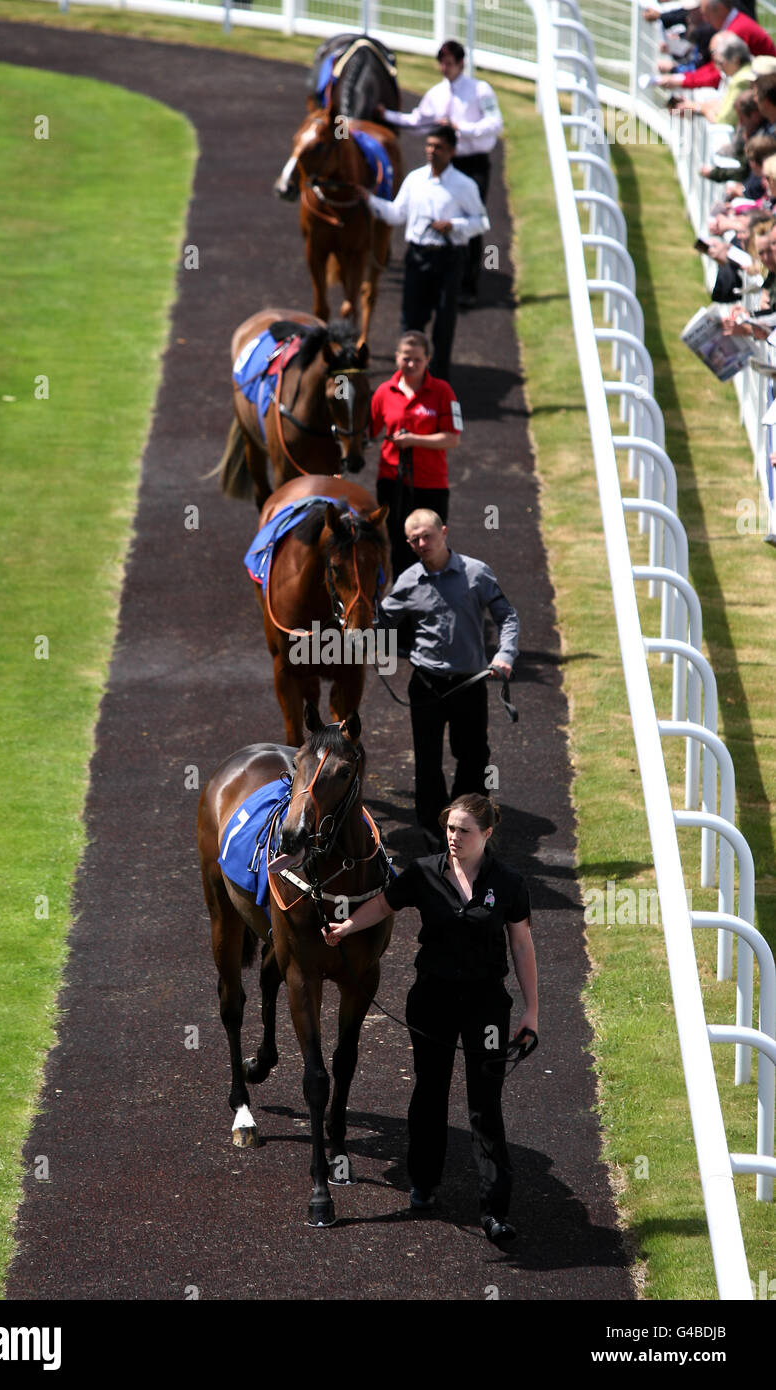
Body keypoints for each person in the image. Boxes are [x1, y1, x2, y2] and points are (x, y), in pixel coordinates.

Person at [323, 793, 539, 1245]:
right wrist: (345, 927)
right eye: (450, 829)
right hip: (432, 999)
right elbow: (384, 905)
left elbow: (521, 944)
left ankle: (494, 1209)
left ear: (487, 835)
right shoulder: (422, 871)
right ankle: (423, 1184)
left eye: (464, 830)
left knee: (485, 1104)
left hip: (486, 1006)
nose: (453, 837)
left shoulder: (510, 882)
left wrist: (531, 1010)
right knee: (430, 1092)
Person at [379, 509, 519, 843]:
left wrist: (505, 654)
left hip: (469, 684)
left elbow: (508, 616)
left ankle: (468, 823)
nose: (422, 544)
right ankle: (431, 831)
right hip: (426, 684)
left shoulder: (476, 573)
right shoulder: (408, 581)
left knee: (473, 756)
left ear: (444, 532)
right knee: (427, 761)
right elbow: (382, 623)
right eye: (414, 540)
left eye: (427, 535)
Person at [377, 40, 503, 306]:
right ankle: (440, 279)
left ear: (461, 64)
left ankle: (469, 285)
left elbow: (495, 123)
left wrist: (461, 128)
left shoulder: (480, 90)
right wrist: (385, 115)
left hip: (473, 161)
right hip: (448, 163)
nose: (443, 69)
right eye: (441, 63)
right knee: (440, 215)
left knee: (471, 220)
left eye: (448, 64)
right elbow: (417, 120)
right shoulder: (436, 93)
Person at [359, 125, 489, 381]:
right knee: (410, 320)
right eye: (429, 145)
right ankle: (407, 378)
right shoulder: (415, 179)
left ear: (451, 151)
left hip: (449, 258)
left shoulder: (464, 186)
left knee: (444, 323)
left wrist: (454, 226)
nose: (431, 151)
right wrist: (369, 200)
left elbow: (482, 222)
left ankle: (438, 382)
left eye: (438, 147)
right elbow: (397, 214)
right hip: (417, 258)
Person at [370, 331, 462, 577]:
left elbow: (453, 438)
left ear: (428, 360)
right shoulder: (383, 392)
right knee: (395, 542)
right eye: (406, 358)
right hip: (391, 481)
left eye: (417, 360)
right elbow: (368, 430)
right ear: (396, 357)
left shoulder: (443, 392)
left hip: (430, 483)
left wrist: (413, 440)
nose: (411, 365)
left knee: (430, 545)